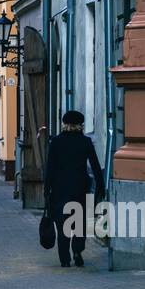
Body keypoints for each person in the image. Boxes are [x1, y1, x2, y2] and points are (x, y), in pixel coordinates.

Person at [44, 110, 106, 268]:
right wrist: (100, 186)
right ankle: (78, 251)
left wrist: (46, 190)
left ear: (64, 124)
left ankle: (64, 259)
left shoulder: (56, 142)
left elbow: (49, 168)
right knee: (79, 223)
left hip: (59, 189)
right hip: (80, 188)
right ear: (80, 125)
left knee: (62, 223)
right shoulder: (85, 142)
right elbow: (96, 167)